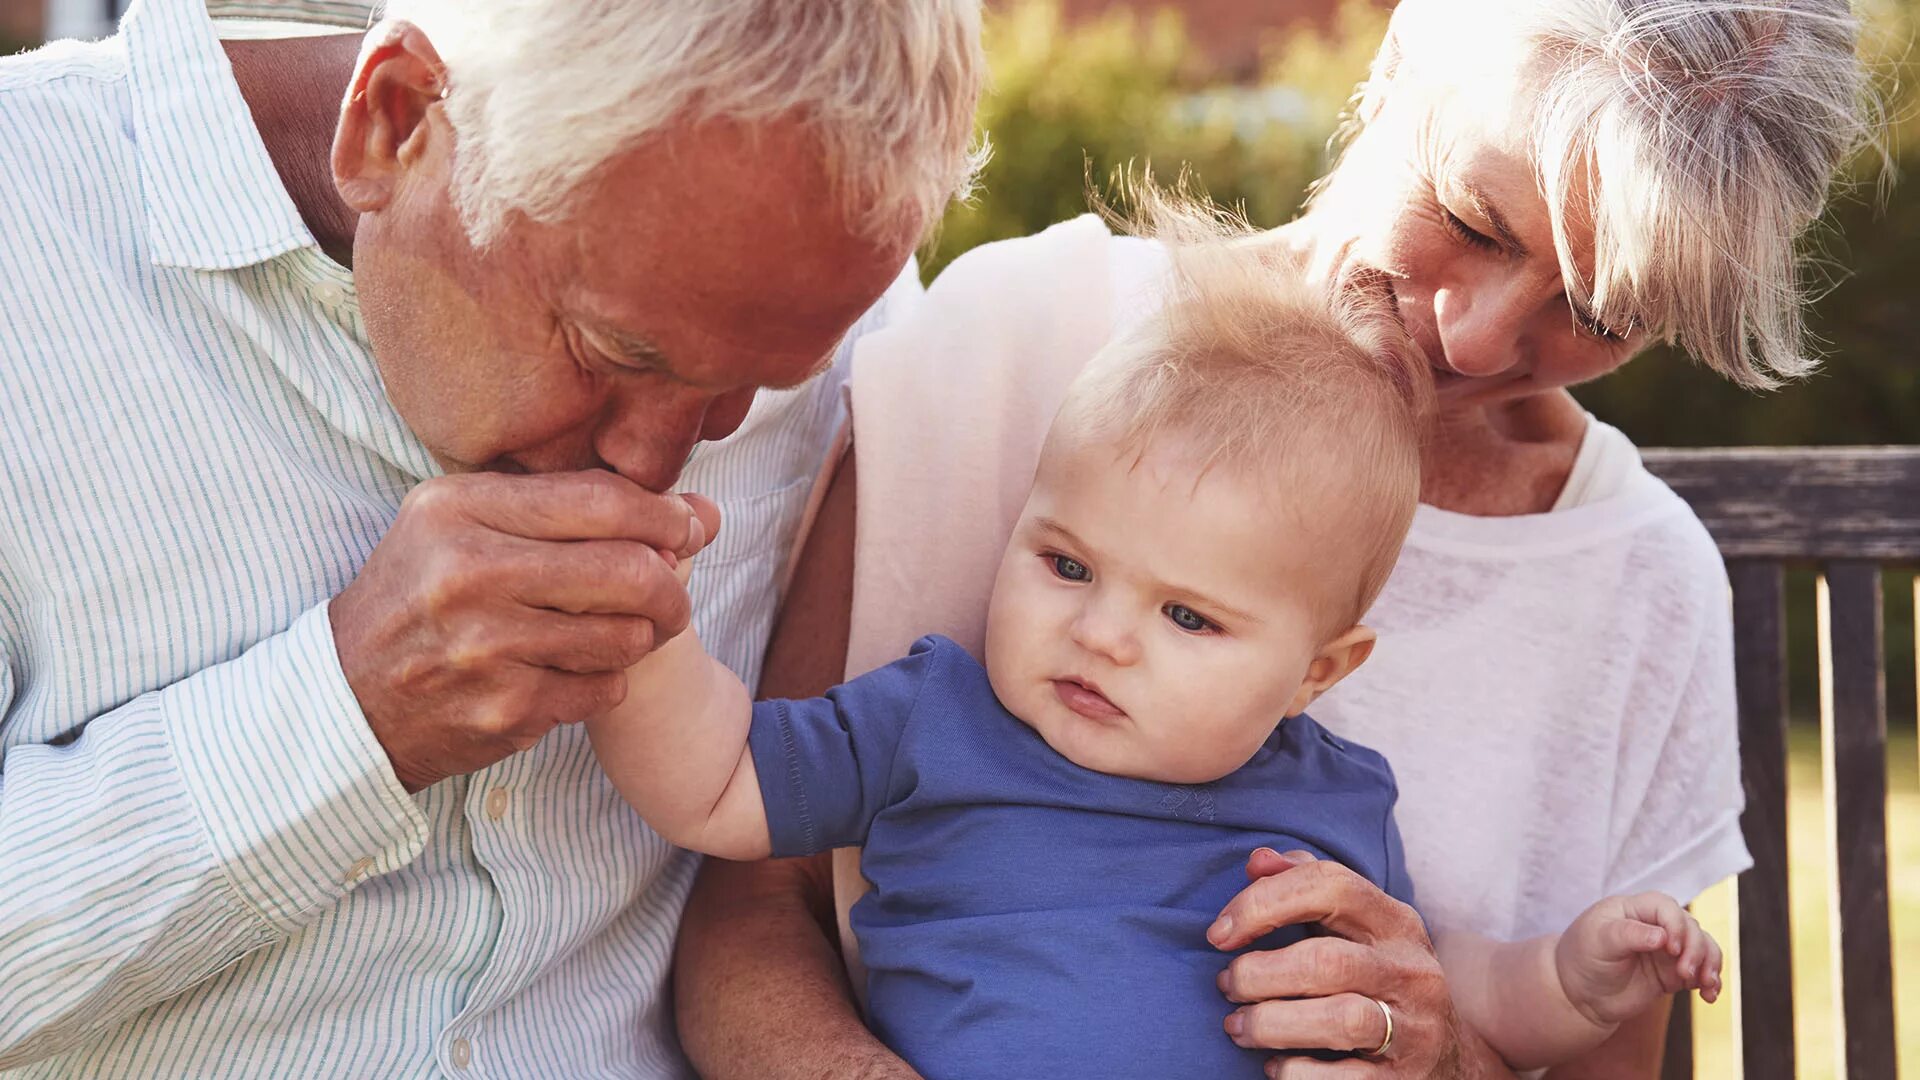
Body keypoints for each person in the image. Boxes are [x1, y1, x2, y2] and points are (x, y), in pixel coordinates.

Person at [672, 1, 1874, 1077]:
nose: (1474, 337)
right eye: (1471, 216)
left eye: (1604, 311)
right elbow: (748, 902)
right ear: (1399, 52)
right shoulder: (1018, 343)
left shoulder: (1638, 580)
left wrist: (1444, 1054)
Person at [0, 0, 981, 1075]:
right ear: (395, 120)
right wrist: (353, 715)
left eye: (751, 392)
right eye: (614, 349)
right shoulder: (27, 234)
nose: (653, 463)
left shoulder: (841, 320)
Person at [597, 213, 1724, 1079]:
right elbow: (717, 785)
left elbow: (1453, 981)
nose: (1101, 635)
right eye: (1065, 565)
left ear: (1317, 674)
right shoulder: (932, 717)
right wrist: (647, 635)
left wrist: (1571, 978)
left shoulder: (1330, 800)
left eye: (1187, 618)